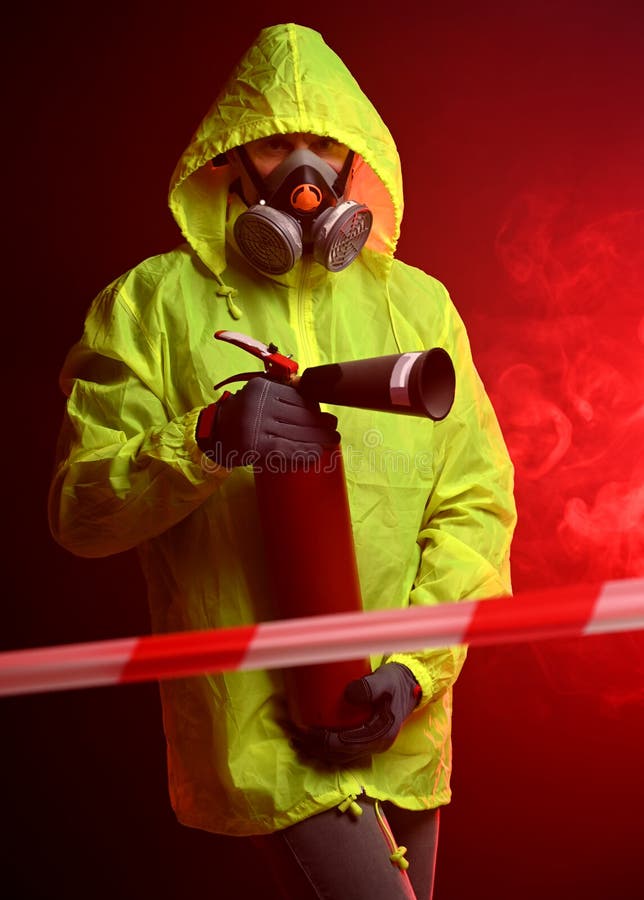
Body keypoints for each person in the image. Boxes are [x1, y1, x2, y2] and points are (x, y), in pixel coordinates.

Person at [48, 22, 516, 900]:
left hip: (397, 720)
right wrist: (206, 438)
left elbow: (476, 509)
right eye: (274, 143)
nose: (303, 172)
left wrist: (412, 670)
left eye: (324, 145)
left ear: (354, 159)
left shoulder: (420, 309)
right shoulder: (152, 305)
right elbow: (80, 511)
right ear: (233, 160)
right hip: (261, 726)